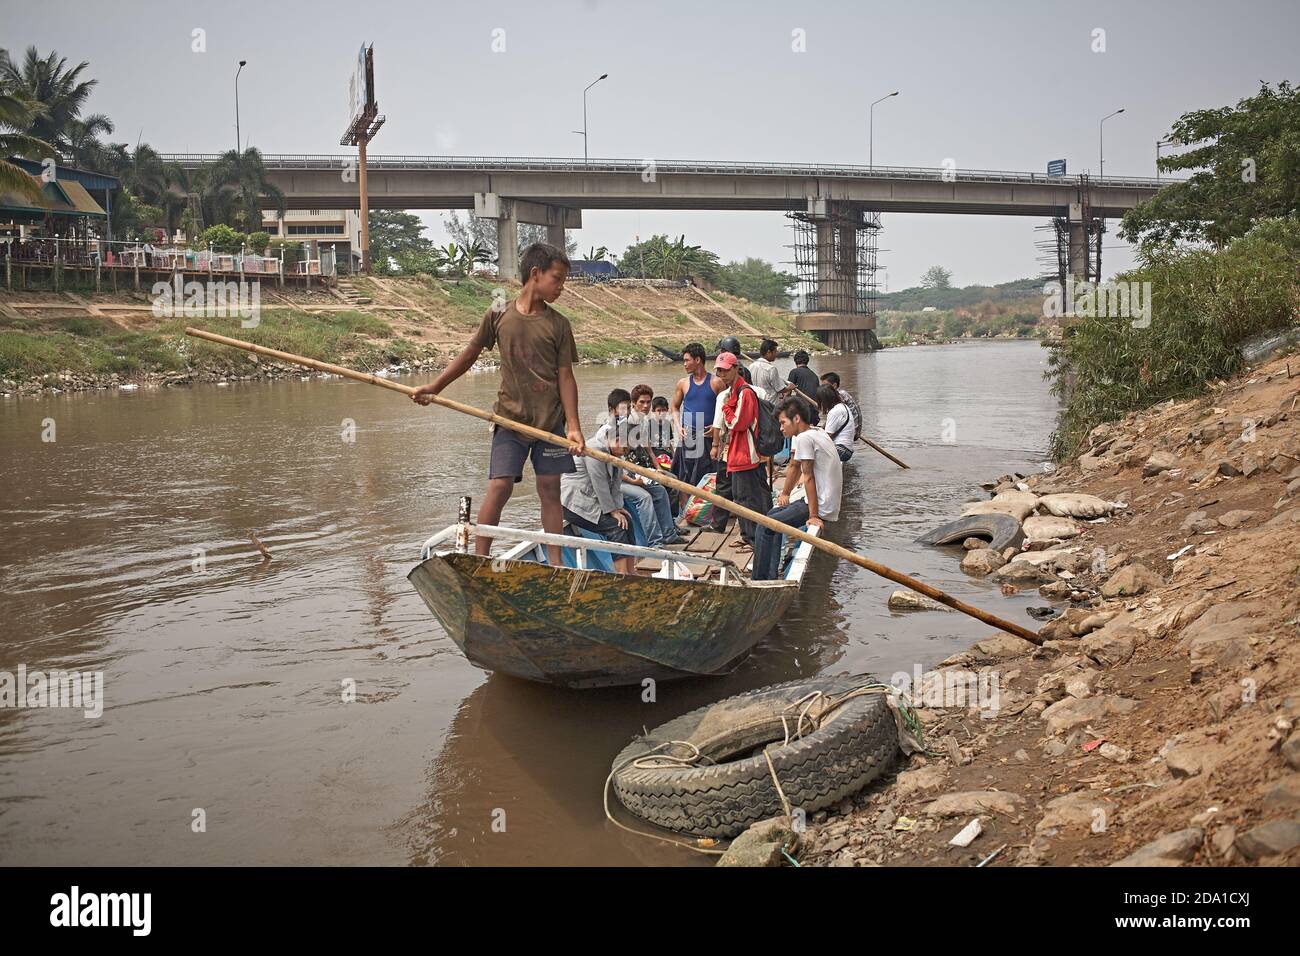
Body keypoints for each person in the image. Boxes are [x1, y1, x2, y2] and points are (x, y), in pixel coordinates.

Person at [412, 243, 583, 565]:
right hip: (510, 419)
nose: (561, 288)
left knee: (549, 489)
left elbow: (566, 377)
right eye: (557, 279)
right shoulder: (498, 312)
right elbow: (469, 356)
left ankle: (557, 564)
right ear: (536, 274)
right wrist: (434, 387)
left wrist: (573, 427)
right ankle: (480, 559)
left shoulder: (559, 325)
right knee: (500, 485)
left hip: (550, 421)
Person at [752, 397, 842, 581]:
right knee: (771, 517)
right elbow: (795, 465)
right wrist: (785, 493)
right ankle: (770, 575)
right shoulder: (817, 432)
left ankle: (759, 580)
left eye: (783, 422)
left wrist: (814, 516)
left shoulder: (804, 438)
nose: (781, 428)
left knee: (763, 526)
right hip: (820, 500)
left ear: (797, 419)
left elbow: (808, 477)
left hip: (819, 504)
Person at [560, 418, 636, 574]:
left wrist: (618, 507)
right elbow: (599, 482)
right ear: (616, 439)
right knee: (617, 528)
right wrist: (612, 511)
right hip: (575, 502)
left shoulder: (614, 453)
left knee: (627, 521)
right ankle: (623, 576)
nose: (627, 450)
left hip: (592, 501)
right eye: (626, 446)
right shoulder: (595, 449)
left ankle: (631, 571)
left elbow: (615, 483)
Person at [608, 388, 682, 547]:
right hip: (623, 476)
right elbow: (618, 463)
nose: (646, 405)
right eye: (642, 402)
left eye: (649, 402)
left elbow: (647, 446)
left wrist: (657, 467)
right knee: (647, 496)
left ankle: (669, 532)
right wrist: (635, 480)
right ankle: (656, 542)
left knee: (668, 485)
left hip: (636, 471)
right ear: (633, 404)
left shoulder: (642, 420)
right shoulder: (622, 425)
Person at [715, 351, 770, 550]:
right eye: (719, 371)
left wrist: (726, 409)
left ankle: (754, 539)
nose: (722, 375)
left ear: (736, 369)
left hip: (746, 453)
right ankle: (748, 535)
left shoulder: (745, 392)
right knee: (740, 496)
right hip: (737, 452)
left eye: (725, 370)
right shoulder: (733, 392)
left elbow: (738, 423)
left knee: (747, 497)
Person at [670, 342, 719, 507]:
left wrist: (718, 428)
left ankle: (705, 508)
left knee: (707, 474)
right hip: (688, 436)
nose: (684, 364)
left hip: (708, 438)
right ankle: (686, 510)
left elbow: (727, 410)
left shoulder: (716, 382)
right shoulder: (683, 383)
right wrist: (678, 426)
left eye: (687, 360)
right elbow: (674, 407)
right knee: (684, 474)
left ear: (698, 360)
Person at [816, 383, 856, 463]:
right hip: (847, 449)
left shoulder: (835, 412)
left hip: (842, 449)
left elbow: (827, 437)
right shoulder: (843, 406)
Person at [820, 371, 863, 442]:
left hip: (853, 431)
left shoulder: (840, 395)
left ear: (834, 385)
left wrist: (822, 429)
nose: (823, 389)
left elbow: (835, 416)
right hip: (851, 429)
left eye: (825, 386)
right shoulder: (839, 394)